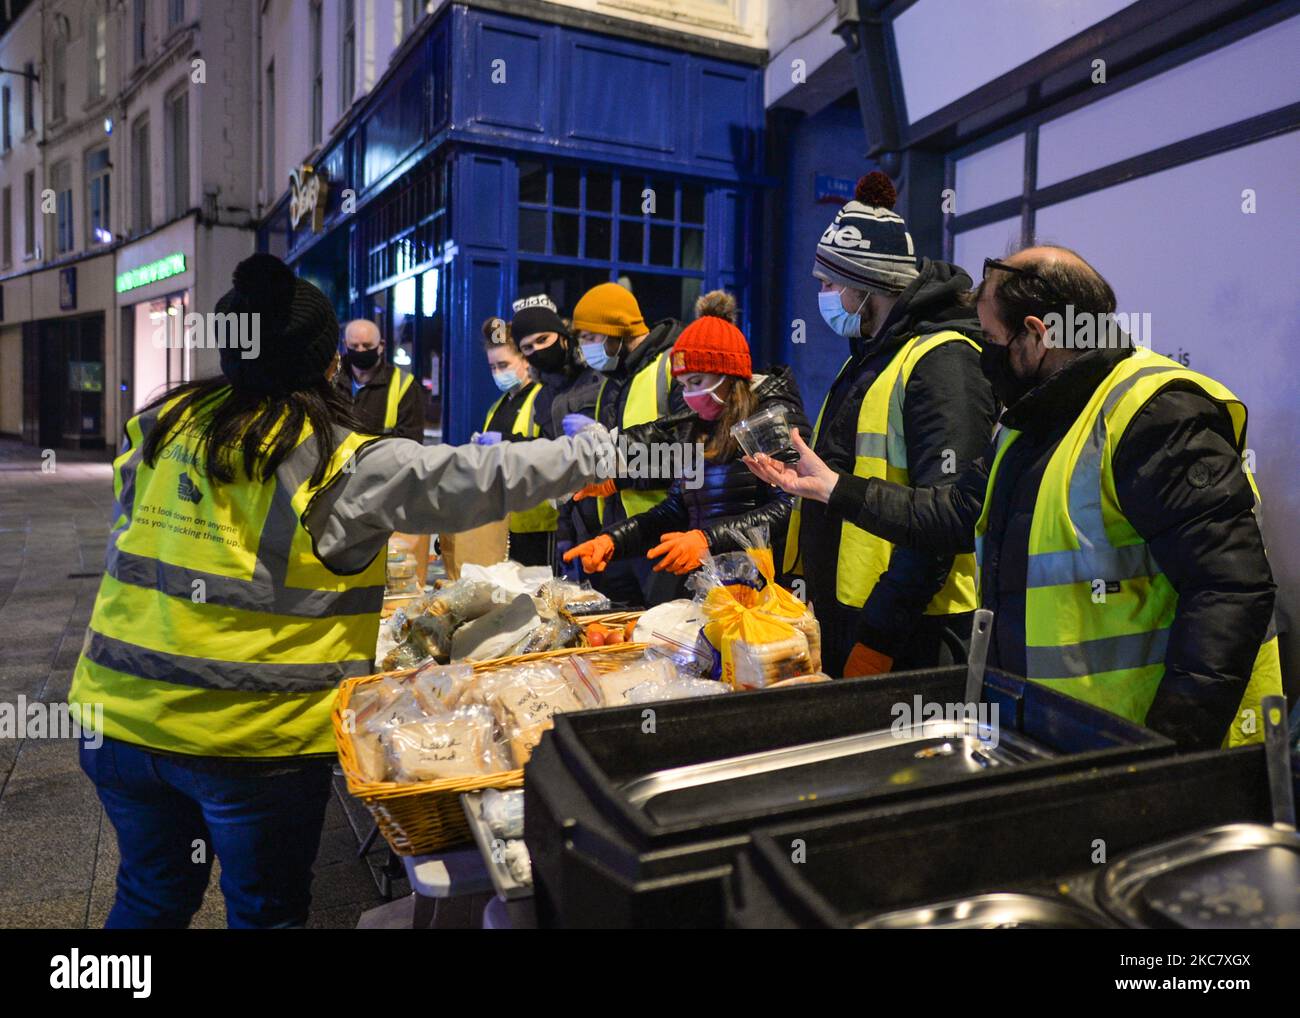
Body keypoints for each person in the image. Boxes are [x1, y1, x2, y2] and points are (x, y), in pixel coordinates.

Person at [69, 254, 614, 928]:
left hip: (116, 718)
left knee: (150, 896)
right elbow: (479, 477)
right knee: (265, 913)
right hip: (249, 740)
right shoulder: (335, 458)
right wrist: (596, 452)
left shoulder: (161, 426)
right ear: (326, 362)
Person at [747, 245, 1282, 750]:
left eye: (989, 339)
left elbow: (1229, 589)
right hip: (1063, 732)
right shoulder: (1031, 422)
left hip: (1144, 741)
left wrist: (1174, 748)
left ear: (1035, 334)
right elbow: (956, 513)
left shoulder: (1156, 415)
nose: (983, 357)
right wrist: (834, 488)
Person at [783, 171, 996, 678]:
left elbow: (949, 517)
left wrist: (878, 638)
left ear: (867, 284)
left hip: (912, 637)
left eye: (830, 283)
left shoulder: (943, 362)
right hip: (852, 616)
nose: (824, 295)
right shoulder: (870, 357)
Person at [564, 291, 808, 592]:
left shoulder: (771, 417)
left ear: (729, 374)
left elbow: (795, 504)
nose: (689, 396)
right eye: (683, 385)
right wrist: (613, 540)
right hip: (711, 585)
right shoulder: (698, 427)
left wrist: (707, 539)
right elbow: (677, 507)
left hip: (765, 588)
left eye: (697, 382)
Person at [565, 281, 686, 605]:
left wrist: (620, 477)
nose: (585, 348)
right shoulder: (616, 380)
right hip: (617, 538)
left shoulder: (674, 368)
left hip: (662, 537)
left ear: (619, 331)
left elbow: (689, 457)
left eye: (591, 338)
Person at [508, 294, 604, 578]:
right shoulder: (543, 398)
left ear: (562, 335)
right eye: (527, 346)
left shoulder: (598, 375)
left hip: (616, 503)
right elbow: (558, 471)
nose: (537, 350)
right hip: (579, 519)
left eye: (543, 339)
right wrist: (565, 531)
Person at [477, 316, 559, 567]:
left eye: (503, 364)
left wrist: (504, 441)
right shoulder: (497, 406)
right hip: (504, 522)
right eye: (492, 367)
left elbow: (552, 449)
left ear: (525, 360)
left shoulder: (544, 399)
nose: (498, 373)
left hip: (539, 524)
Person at [335, 318, 423, 442]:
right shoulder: (331, 380)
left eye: (367, 345)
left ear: (381, 346)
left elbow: (410, 442)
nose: (360, 350)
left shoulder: (404, 386)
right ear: (345, 345)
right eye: (354, 346)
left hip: (380, 461)